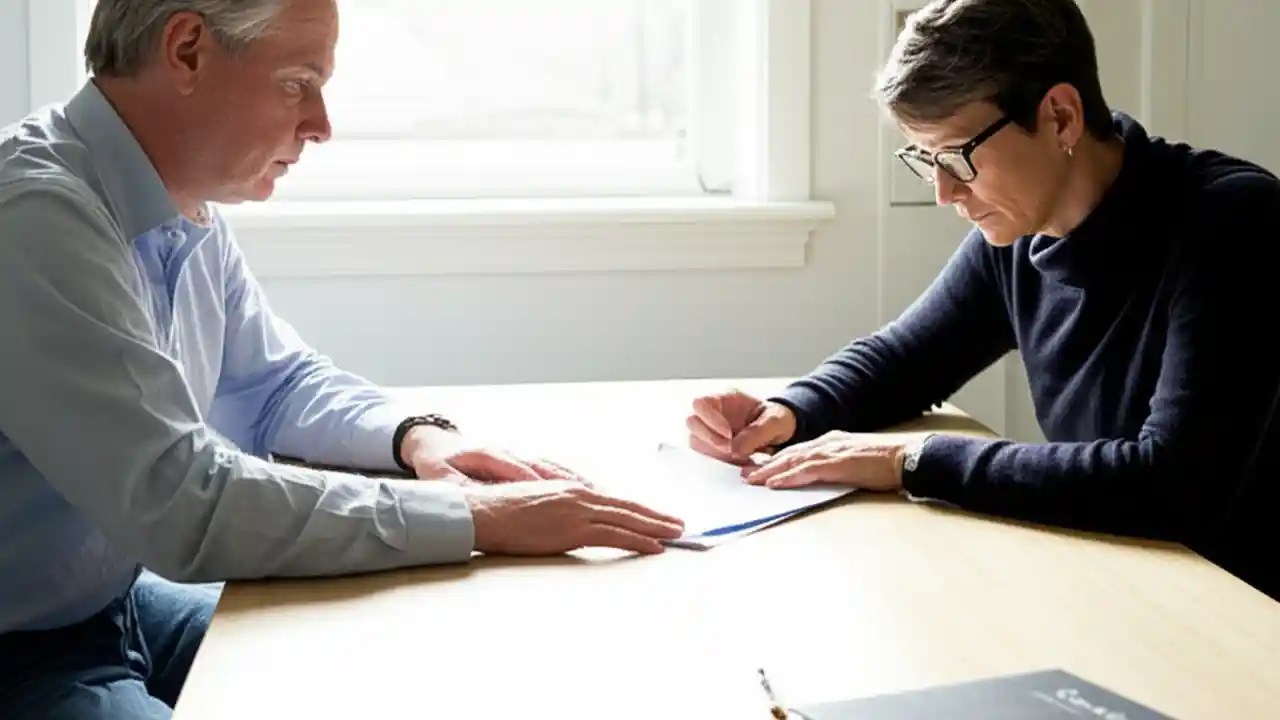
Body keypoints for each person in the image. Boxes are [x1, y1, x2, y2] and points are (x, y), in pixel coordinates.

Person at [0, 0, 685, 717]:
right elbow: (185, 504)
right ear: (189, 50)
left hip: (110, 608)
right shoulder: (35, 220)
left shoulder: (177, 204)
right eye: (298, 82)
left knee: (384, 664)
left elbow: (274, 385)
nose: (320, 125)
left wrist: (421, 439)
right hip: (22, 655)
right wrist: (475, 516)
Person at [687, 0, 1278, 601]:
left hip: (1241, 610)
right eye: (925, 160)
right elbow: (908, 356)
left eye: (958, 156)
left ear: (1061, 118)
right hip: (1132, 575)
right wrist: (790, 412)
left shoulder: (1235, 223)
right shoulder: (1021, 231)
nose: (945, 192)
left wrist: (912, 459)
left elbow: (1170, 484)